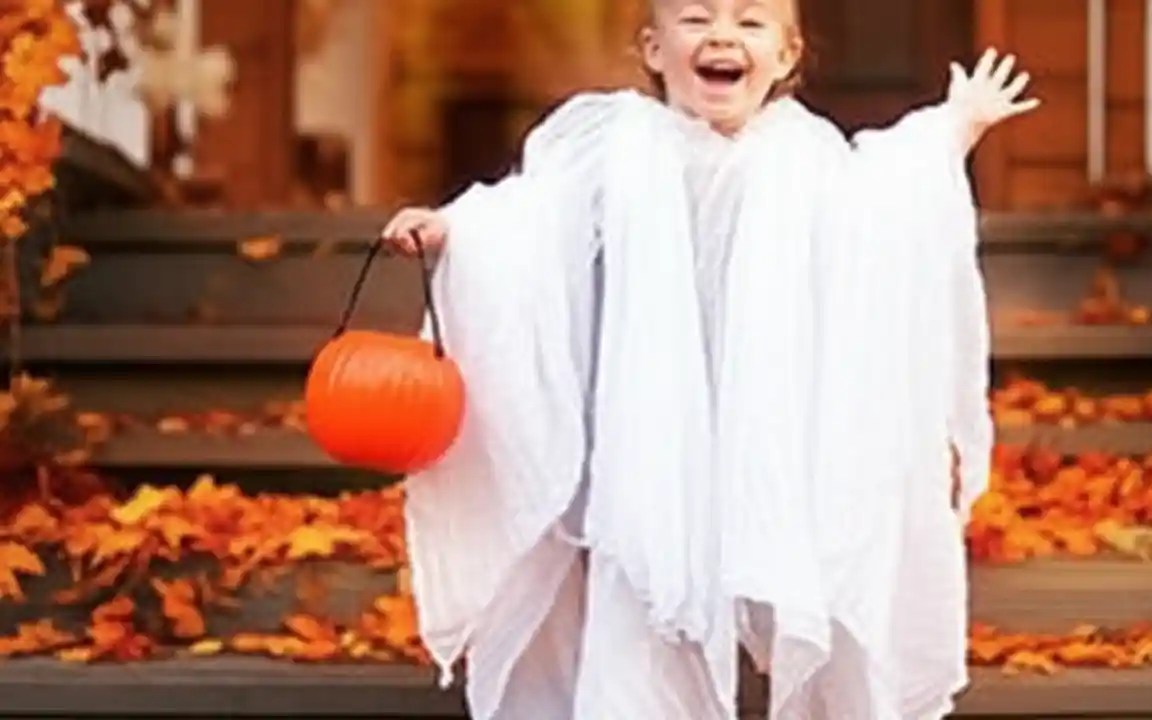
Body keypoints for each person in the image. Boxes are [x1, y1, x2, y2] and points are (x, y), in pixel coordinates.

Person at [380, 1, 1038, 717]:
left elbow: (880, 203)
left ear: (787, 58)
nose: (723, 34)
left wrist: (953, 128)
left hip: (771, 420)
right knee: (648, 576)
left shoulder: (805, 154)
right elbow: (533, 215)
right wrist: (452, 231)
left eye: (750, 22)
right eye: (696, 18)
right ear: (654, 50)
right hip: (653, 418)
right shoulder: (620, 144)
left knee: (808, 553)